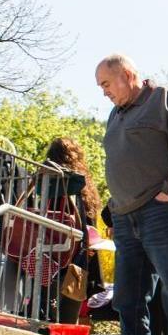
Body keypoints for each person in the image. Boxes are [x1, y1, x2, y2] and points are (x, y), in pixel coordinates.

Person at [96, 53, 168, 335]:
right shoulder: (116, 114)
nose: (103, 91)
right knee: (128, 298)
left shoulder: (165, 100)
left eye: (105, 83)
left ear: (127, 74)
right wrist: (114, 210)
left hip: (162, 214)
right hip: (125, 219)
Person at [42, 136, 101, 324]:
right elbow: (90, 223)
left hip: (48, 255)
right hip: (78, 258)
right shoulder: (83, 186)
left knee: (47, 312)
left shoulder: (49, 183)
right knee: (69, 317)